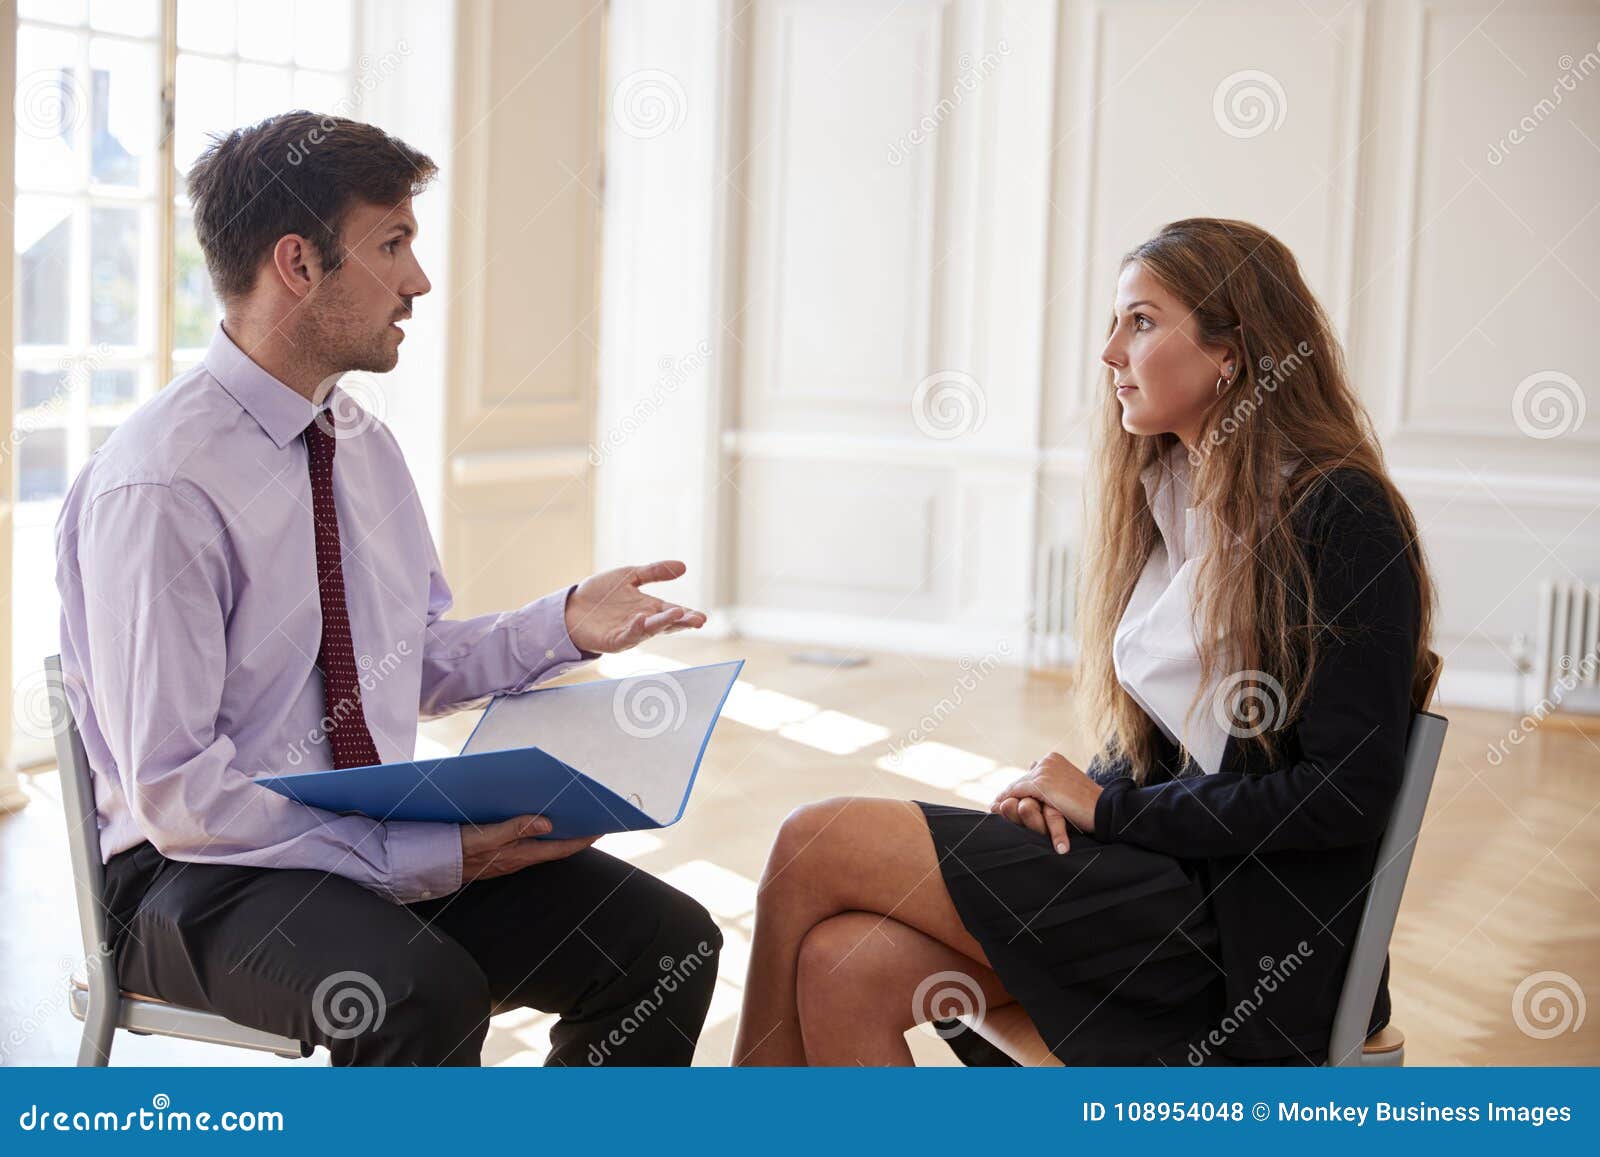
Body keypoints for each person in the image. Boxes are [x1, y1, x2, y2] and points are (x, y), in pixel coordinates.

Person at [54, 111, 721, 1066]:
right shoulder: (160, 486)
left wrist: (562, 624)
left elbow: (407, 658)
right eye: (393, 243)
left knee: (665, 941)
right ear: (299, 263)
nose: (419, 279)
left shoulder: (358, 444)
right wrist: (424, 860)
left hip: (356, 833)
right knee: (418, 996)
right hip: (190, 876)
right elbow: (179, 795)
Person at [731, 217, 1438, 1067]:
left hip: (1247, 935)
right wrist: (1068, 794)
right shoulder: (1174, 496)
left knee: (817, 840)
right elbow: (1177, 746)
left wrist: (1107, 809)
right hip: (1165, 880)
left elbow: (1345, 793)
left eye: (1140, 321)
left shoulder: (1341, 511)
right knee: (841, 962)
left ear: (1232, 352)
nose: (1110, 353)